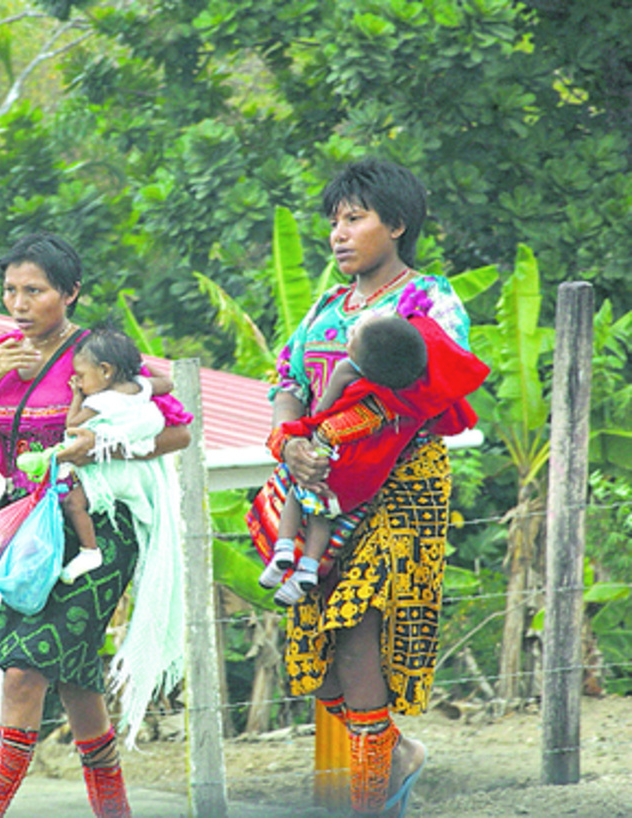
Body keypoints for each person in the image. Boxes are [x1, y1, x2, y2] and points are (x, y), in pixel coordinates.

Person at [263, 157, 481, 816]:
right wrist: (290, 440)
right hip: (315, 484)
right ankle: (398, 753)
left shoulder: (431, 299)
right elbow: (286, 381)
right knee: (319, 653)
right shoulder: (328, 305)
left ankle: (367, 801)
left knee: (356, 627)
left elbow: (421, 394)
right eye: (334, 221)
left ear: (397, 224)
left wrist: (324, 440)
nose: (338, 233)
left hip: (397, 484)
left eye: (354, 219)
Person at [0, 232, 191, 818]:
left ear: (70, 293)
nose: (19, 303)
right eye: (10, 290)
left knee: (23, 676)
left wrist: (100, 450)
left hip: (96, 530)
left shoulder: (98, 355)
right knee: (77, 682)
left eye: (34, 291)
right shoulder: (0, 355)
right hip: (27, 530)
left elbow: (177, 430)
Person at [260, 313, 429, 606]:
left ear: (357, 352)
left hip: (335, 453)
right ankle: (308, 570)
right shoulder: (399, 391)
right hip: (366, 475)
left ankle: (284, 550)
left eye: (352, 337)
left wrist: (308, 434)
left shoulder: (345, 370)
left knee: (298, 489)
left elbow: (323, 411)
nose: (348, 338)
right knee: (325, 513)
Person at [18, 326, 175, 585]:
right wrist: (139, 364)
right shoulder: (139, 386)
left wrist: (77, 397)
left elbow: (73, 426)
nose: (78, 381)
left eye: (81, 375)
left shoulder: (100, 402)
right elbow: (168, 383)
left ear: (105, 370)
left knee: (73, 504)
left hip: (108, 472)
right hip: (135, 470)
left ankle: (89, 551)